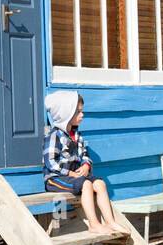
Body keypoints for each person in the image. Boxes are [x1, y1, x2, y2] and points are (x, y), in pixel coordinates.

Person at [42, 90, 132, 236]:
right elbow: (50, 162)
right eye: (77, 112)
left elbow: (84, 154)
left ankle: (110, 221)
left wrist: (85, 165)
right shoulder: (54, 136)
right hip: (56, 178)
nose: (82, 115)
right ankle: (94, 224)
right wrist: (69, 172)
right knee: (86, 184)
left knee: (100, 183)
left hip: (76, 175)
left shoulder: (77, 135)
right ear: (66, 114)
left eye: (81, 111)